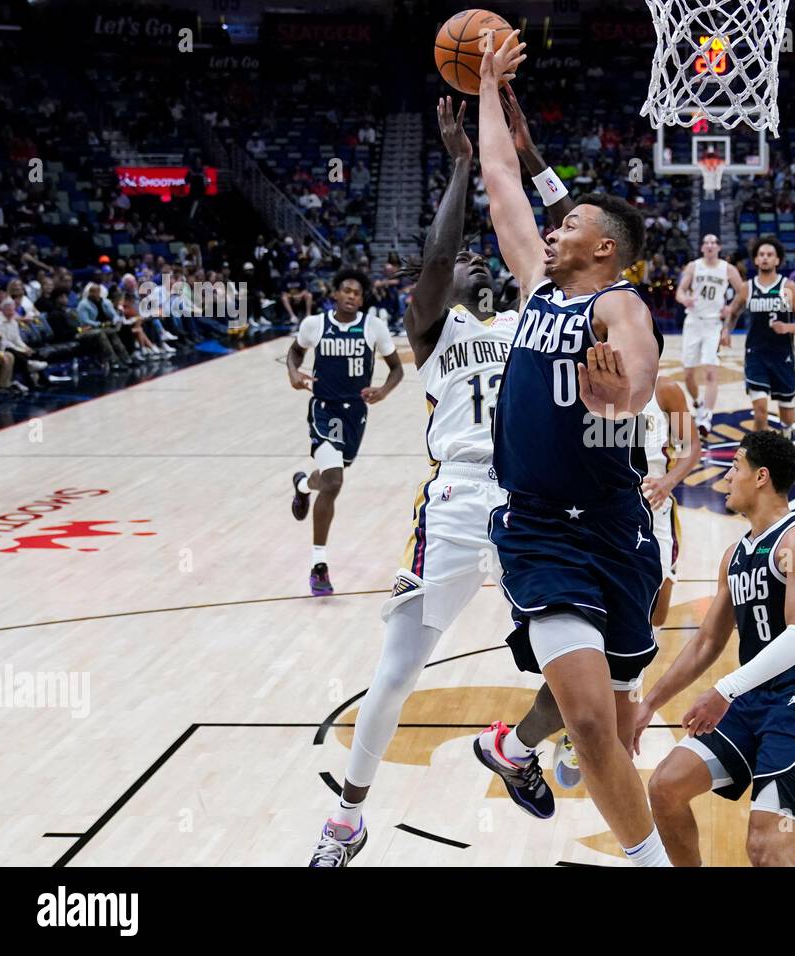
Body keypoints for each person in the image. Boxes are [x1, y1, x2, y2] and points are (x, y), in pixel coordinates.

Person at [309, 98, 523, 866]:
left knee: (589, 655)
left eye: (478, 261)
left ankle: (528, 749)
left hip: (532, 504)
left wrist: (519, 158)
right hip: (459, 503)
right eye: (461, 262)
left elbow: (540, 246)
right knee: (395, 676)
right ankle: (346, 820)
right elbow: (437, 262)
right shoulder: (436, 331)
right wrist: (463, 161)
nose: (469, 263)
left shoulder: (528, 322)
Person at [476, 33, 671, 866]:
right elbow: (500, 184)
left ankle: (514, 747)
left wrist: (615, 400)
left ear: (605, 249)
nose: (550, 233)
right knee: (590, 717)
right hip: (541, 527)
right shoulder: (533, 288)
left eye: (571, 227)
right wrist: (488, 86)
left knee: (612, 711)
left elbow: (642, 379)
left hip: (617, 527)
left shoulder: (619, 305)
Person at [480, 373, 701, 802]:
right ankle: (577, 723)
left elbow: (692, 449)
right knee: (594, 634)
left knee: (653, 616)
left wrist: (671, 480)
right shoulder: (580, 385)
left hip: (653, 514)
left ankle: (570, 718)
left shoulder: (668, 390)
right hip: (601, 517)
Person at [635, 430, 795, 866]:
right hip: (750, 703)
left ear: (762, 477)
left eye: (735, 468)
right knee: (665, 787)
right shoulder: (735, 554)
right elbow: (709, 640)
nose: (726, 478)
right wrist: (650, 703)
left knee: (767, 848)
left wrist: (724, 691)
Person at [287, 268, 403, 595]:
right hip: (323, 409)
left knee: (326, 480)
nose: (352, 296)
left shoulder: (373, 327)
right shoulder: (315, 325)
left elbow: (396, 368)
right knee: (335, 481)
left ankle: (301, 484)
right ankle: (318, 566)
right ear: (335, 295)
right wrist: (294, 372)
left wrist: (384, 390)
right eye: (347, 291)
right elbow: (295, 352)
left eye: (358, 293)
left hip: (355, 413)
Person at [723, 237, 795, 439]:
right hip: (756, 355)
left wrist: (788, 327)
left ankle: (788, 430)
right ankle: (758, 458)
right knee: (761, 412)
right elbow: (734, 312)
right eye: (761, 255)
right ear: (755, 260)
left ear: (777, 260)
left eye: (769, 255)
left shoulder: (788, 287)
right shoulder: (747, 288)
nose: (765, 258)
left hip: (783, 357)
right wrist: (726, 331)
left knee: (787, 415)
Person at [675, 234, 746, 437]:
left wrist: (730, 308)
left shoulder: (728, 269)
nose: (709, 245)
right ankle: (698, 404)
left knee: (710, 373)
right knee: (688, 374)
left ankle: (706, 415)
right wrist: (685, 299)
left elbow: (743, 293)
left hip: (713, 324)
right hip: (693, 322)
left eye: (713, 242)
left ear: (719, 247)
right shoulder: (693, 267)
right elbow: (679, 292)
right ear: (702, 247)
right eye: (706, 242)